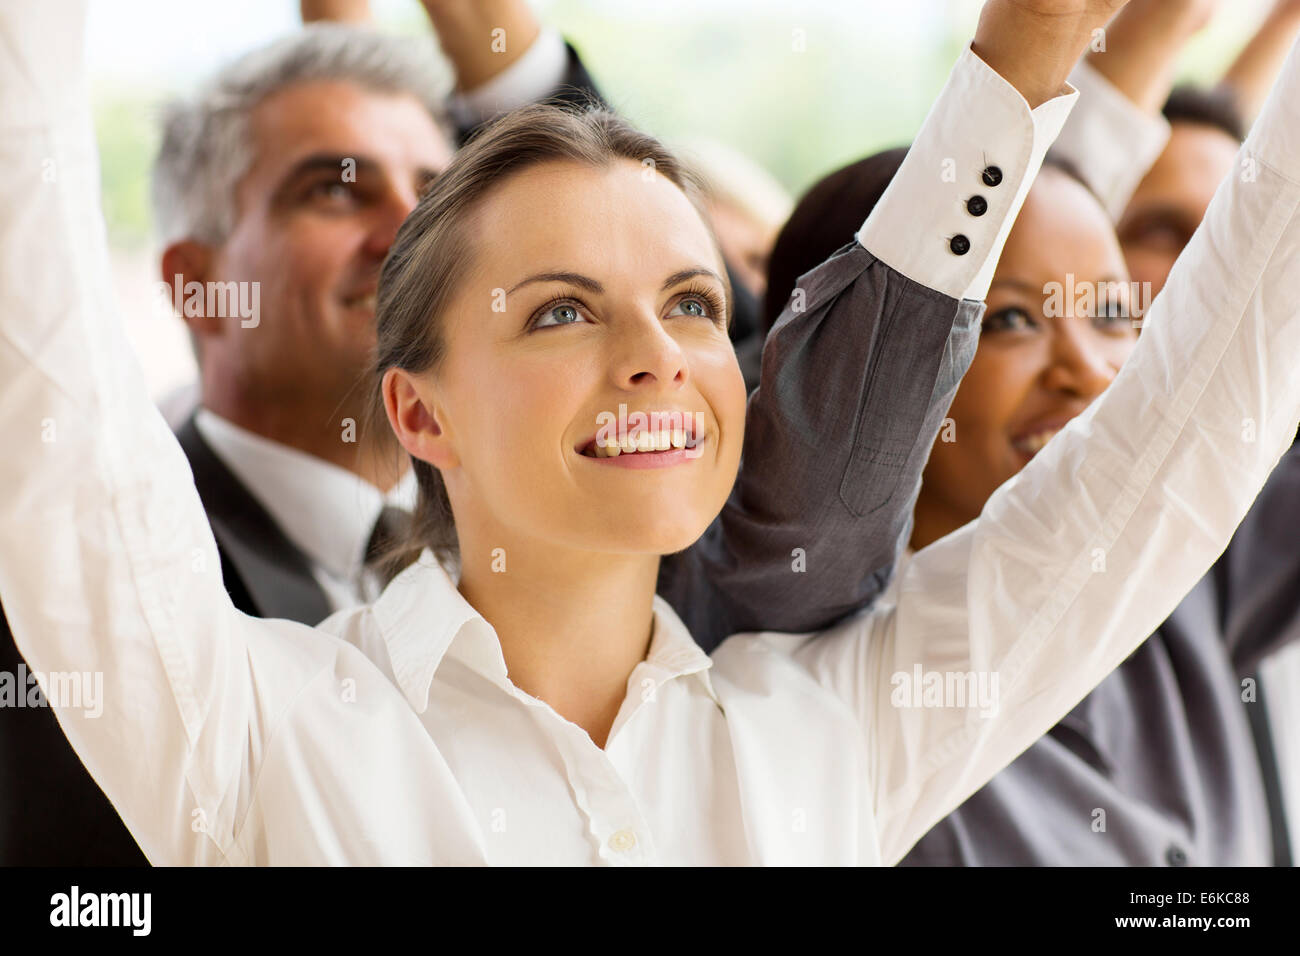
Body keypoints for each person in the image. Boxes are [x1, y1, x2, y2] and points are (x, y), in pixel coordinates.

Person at [8, 0, 1300, 866]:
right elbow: (44, 373)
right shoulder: (250, 730)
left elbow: (1183, 434)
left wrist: (1027, 50)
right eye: (562, 310)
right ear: (420, 409)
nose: (658, 358)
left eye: (692, 303)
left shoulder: (831, 733)